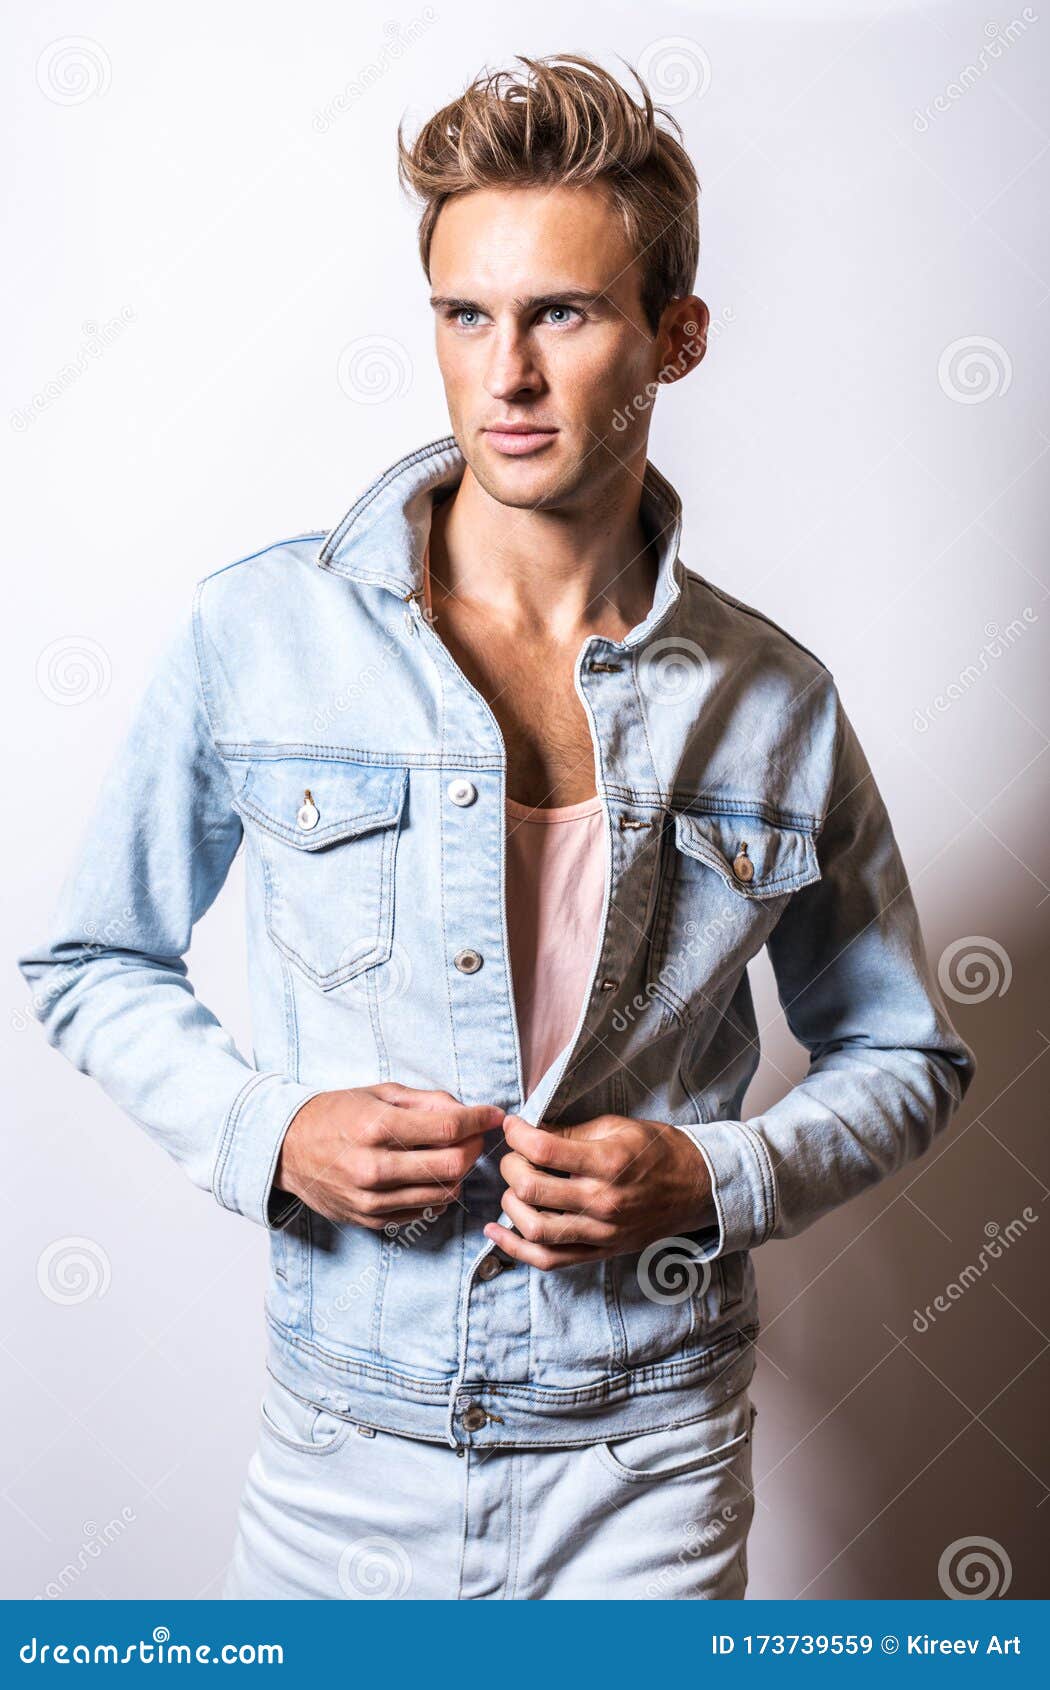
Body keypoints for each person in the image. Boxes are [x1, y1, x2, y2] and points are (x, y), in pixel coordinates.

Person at [16, 53, 977, 1600]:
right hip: (343, 1452)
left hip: (648, 1464)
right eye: (465, 315)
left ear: (675, 337)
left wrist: (710, 1171)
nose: (505, 373)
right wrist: (272, 1131)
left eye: (562, 314)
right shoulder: (259, 633)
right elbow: (89, 959)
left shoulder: (772, 700)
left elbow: (903, 1054)